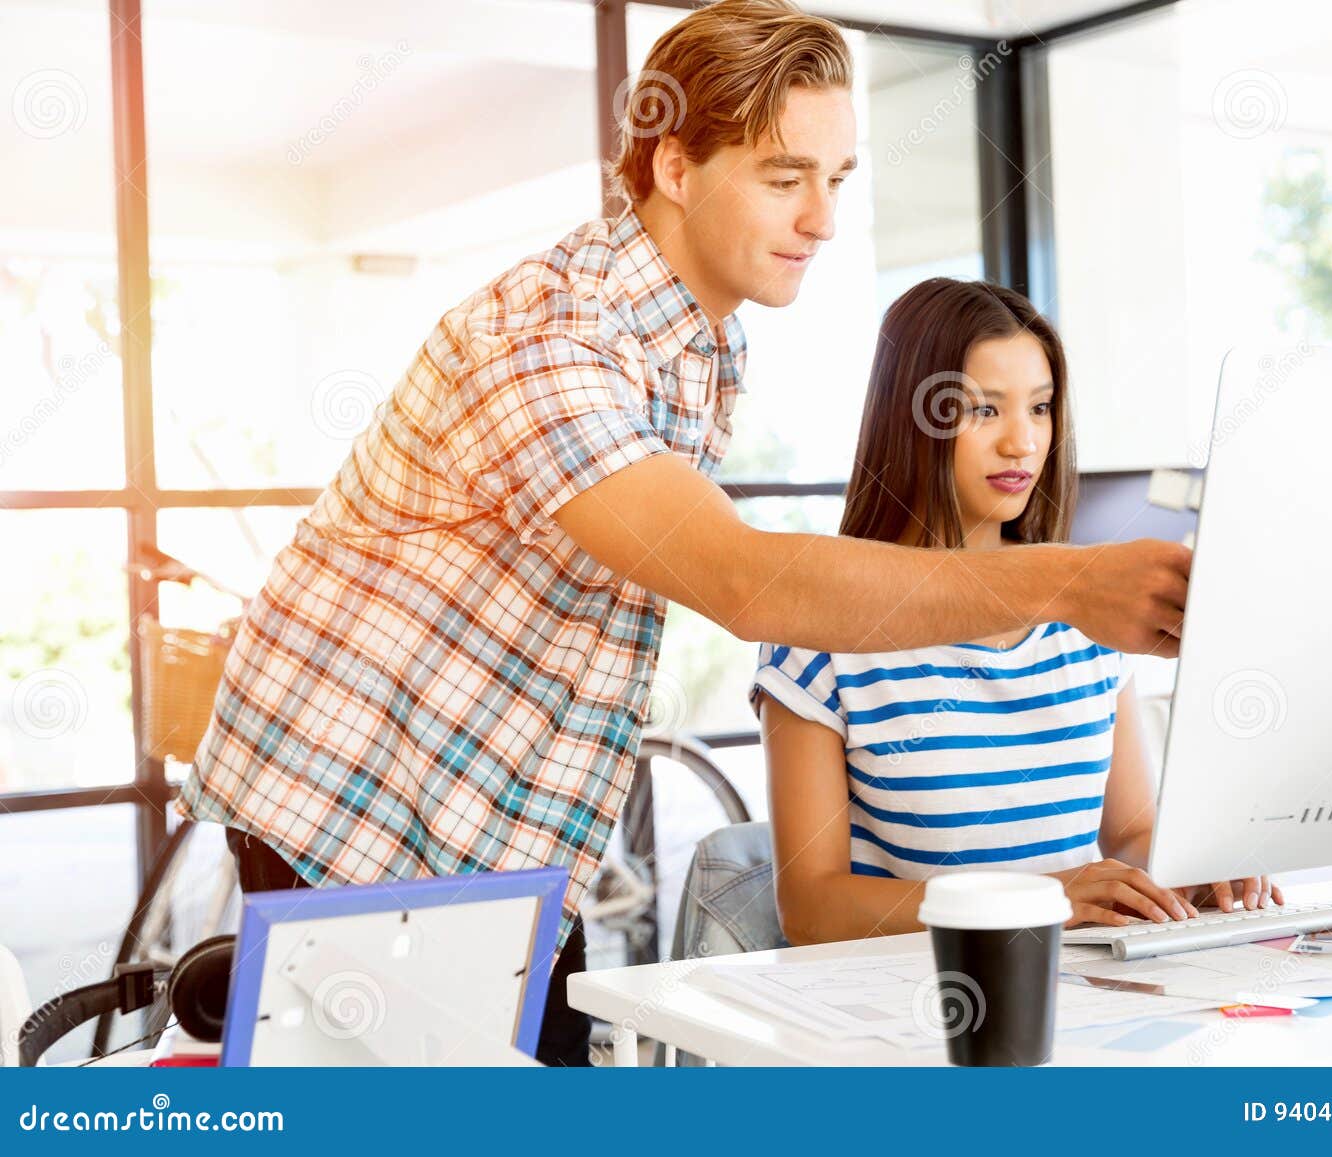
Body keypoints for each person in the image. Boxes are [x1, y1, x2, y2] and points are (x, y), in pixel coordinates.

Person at [177, 0, 1191, 1065]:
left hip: (504, 827)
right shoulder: (551, 340)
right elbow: (742, 578)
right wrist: (1063, 583)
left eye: (837, 180)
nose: (822, 220)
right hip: (360, 810)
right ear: (673, 167)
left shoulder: (704, 344)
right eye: (783, 176)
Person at [753, 279, 1277, 946]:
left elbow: (1134, 833)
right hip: (921, 1009)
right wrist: (1043, 898)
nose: (1022, 443)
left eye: (1040, 407)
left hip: (1088, 988)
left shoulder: (1089, 613)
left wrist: (1192, 873)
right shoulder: (818, 633)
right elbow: (810, 909)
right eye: (984, 412)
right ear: (908, 419)